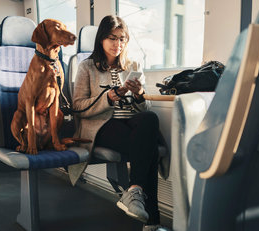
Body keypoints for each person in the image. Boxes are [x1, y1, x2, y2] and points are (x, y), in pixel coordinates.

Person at [72, 15, 166, 231]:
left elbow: (145, 109)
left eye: (122, 39)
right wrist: (108, 98)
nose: (118, 44)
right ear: (101, 39)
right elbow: (78, 106)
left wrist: (140, 94)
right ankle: (153, 222)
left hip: (130, 126)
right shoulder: (86, 67)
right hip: (102, 126)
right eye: (112, 38)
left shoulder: (133, 65)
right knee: (148, 149)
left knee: (150, 119)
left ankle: (133, 190)